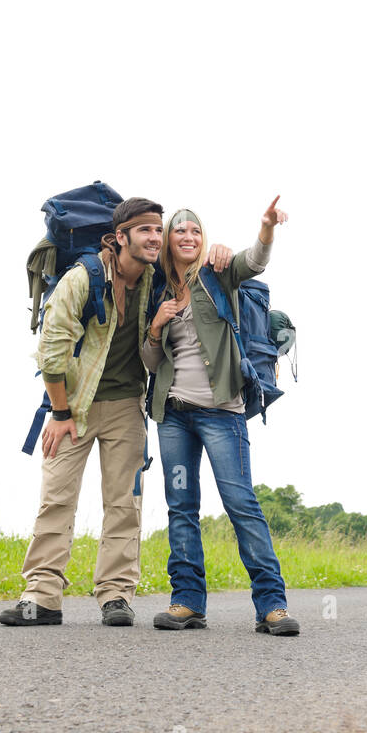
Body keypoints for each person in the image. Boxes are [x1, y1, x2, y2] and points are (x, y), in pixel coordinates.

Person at [0, 197, 233, 627]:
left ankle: (116, 596)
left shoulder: (153, 279)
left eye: (157, 231)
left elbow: (197, 262)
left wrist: (222, 251)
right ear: (120, 236)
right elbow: (50, 354)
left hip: (127, 406)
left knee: (125, 503)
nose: (155, 238)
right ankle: (42, 596)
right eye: (145, 230)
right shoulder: (81, 279)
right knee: (57, 500)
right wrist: (60, 412)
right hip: (72, 407)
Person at [140, 196, 299, 636]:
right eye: (179, 231)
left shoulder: (218, 273)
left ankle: (272, 606)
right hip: (173, 417)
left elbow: (256, 261)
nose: (188, 237)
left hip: (221, 414)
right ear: (169, 241)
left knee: (241, 504)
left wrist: (266, 227)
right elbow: (152, 363)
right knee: (181, 507)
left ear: (202, 238)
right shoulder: (158, 291)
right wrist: (155, 327)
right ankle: (187, 602)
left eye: (195, 231)